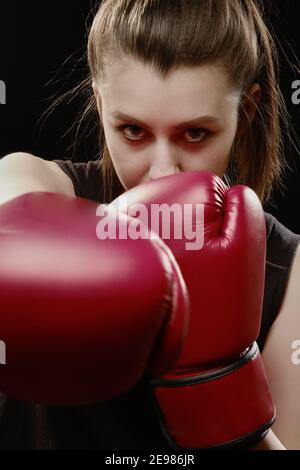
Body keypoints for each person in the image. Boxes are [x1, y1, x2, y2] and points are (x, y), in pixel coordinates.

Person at [0, 0, 300, 450]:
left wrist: (216, 383)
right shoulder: (36, 182)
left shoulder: (289, 271)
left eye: (195, 133)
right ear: (101, 105)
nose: (163, 171)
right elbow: (10, 213)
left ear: (246, 115)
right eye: (134, 132)